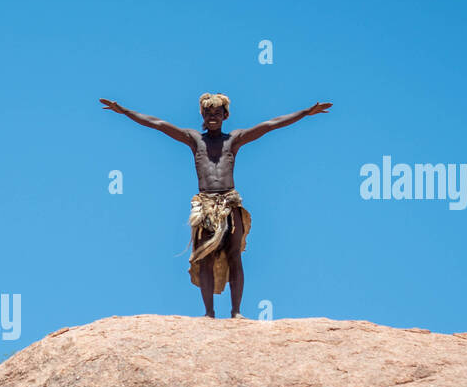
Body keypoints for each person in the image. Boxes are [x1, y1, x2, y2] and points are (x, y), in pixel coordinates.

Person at [100, 93, 331, 318]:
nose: (213, 117)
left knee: (234, 256)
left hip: (229, 203)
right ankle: (209, 313)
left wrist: (305, 112)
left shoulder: (234, 140)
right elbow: (158, 124)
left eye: (218, 113)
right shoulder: (194, 140)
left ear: (225, 116)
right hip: (205, 204)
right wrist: (125, 111)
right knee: (204, 258)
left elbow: (270, 125)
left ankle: (236, 312)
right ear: (202, 115)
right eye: (208, 113)